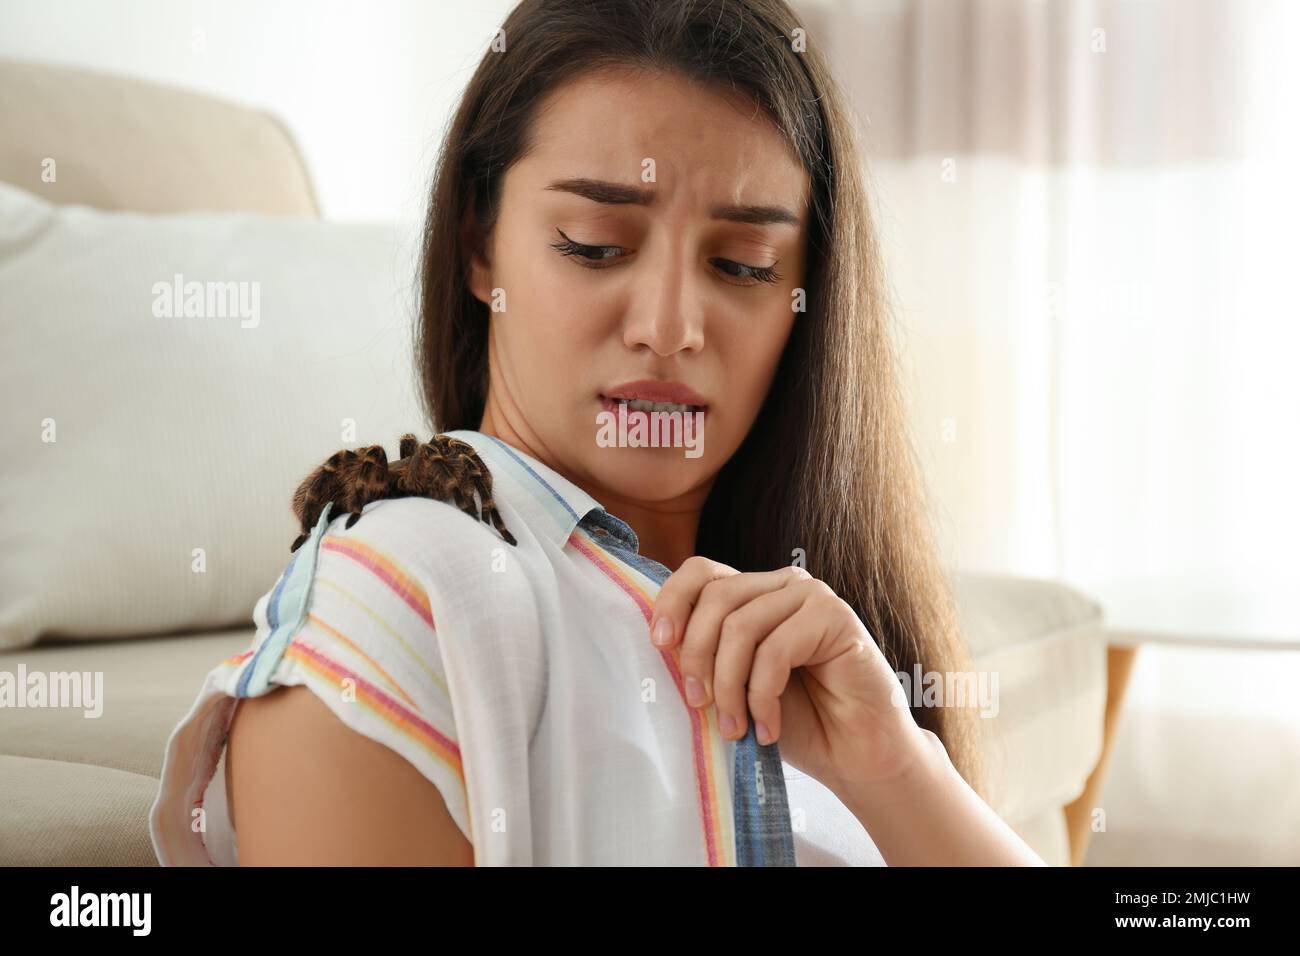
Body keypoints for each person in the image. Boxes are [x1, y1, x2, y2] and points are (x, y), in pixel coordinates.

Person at [149, 0, 1045, 866]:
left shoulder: (815, 636)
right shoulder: (405, 596)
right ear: (479, 241)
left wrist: (897, 771)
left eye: (744, 265)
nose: (670, 325)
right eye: (593, 244)